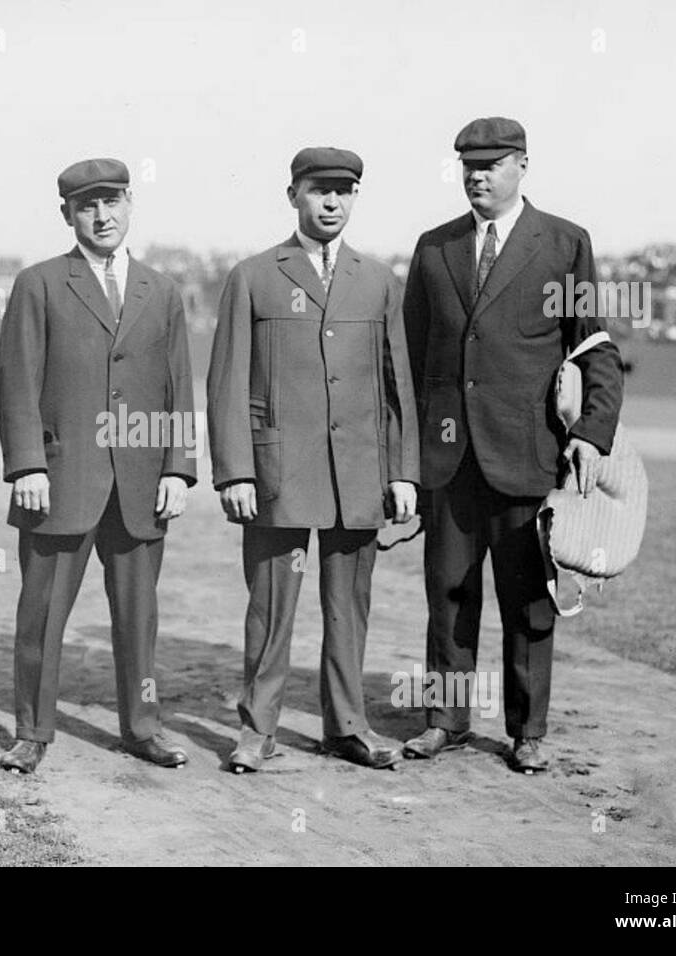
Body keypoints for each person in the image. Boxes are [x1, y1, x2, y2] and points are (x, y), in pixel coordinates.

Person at [401, 117, 623, 773]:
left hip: (527, 458)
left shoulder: (563, 243)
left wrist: (589, 435)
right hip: (448, 460)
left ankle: (527, 731)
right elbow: (412, 362)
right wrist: (406, 463)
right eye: (467, 164)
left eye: (491, 164)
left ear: (522, 164)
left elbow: (594, 349)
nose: (477, 174)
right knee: (447, 596)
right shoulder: (433, 247)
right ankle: (445, 721)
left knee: (526, 602)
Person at [206, 147, 419, 773]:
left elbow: (395, 385)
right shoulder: (253, 276)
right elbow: (227, 383)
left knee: (347, 609)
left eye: (344, 191)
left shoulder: (379, 280)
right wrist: (235, 471)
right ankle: (258, 729)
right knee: (271, 609)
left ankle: (348, 728)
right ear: (293, 194)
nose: (332, 202)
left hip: (358, 476)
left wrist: (402, 474)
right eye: (319, 190)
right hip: (278, 476)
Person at [0, 158, 197, 774]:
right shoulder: (40, 283)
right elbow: (15, 383)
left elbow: (179, 385)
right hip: (61, 478)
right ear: (67, 214)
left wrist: (177, 470)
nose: (102, 216)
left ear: (130, 204)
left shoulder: (161, 290)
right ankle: (33, 732)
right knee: (42, 613)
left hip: (140, 485)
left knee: (140, 620)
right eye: (87, 206)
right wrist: (27, 465)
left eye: (111, 202)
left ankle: (142, 728)